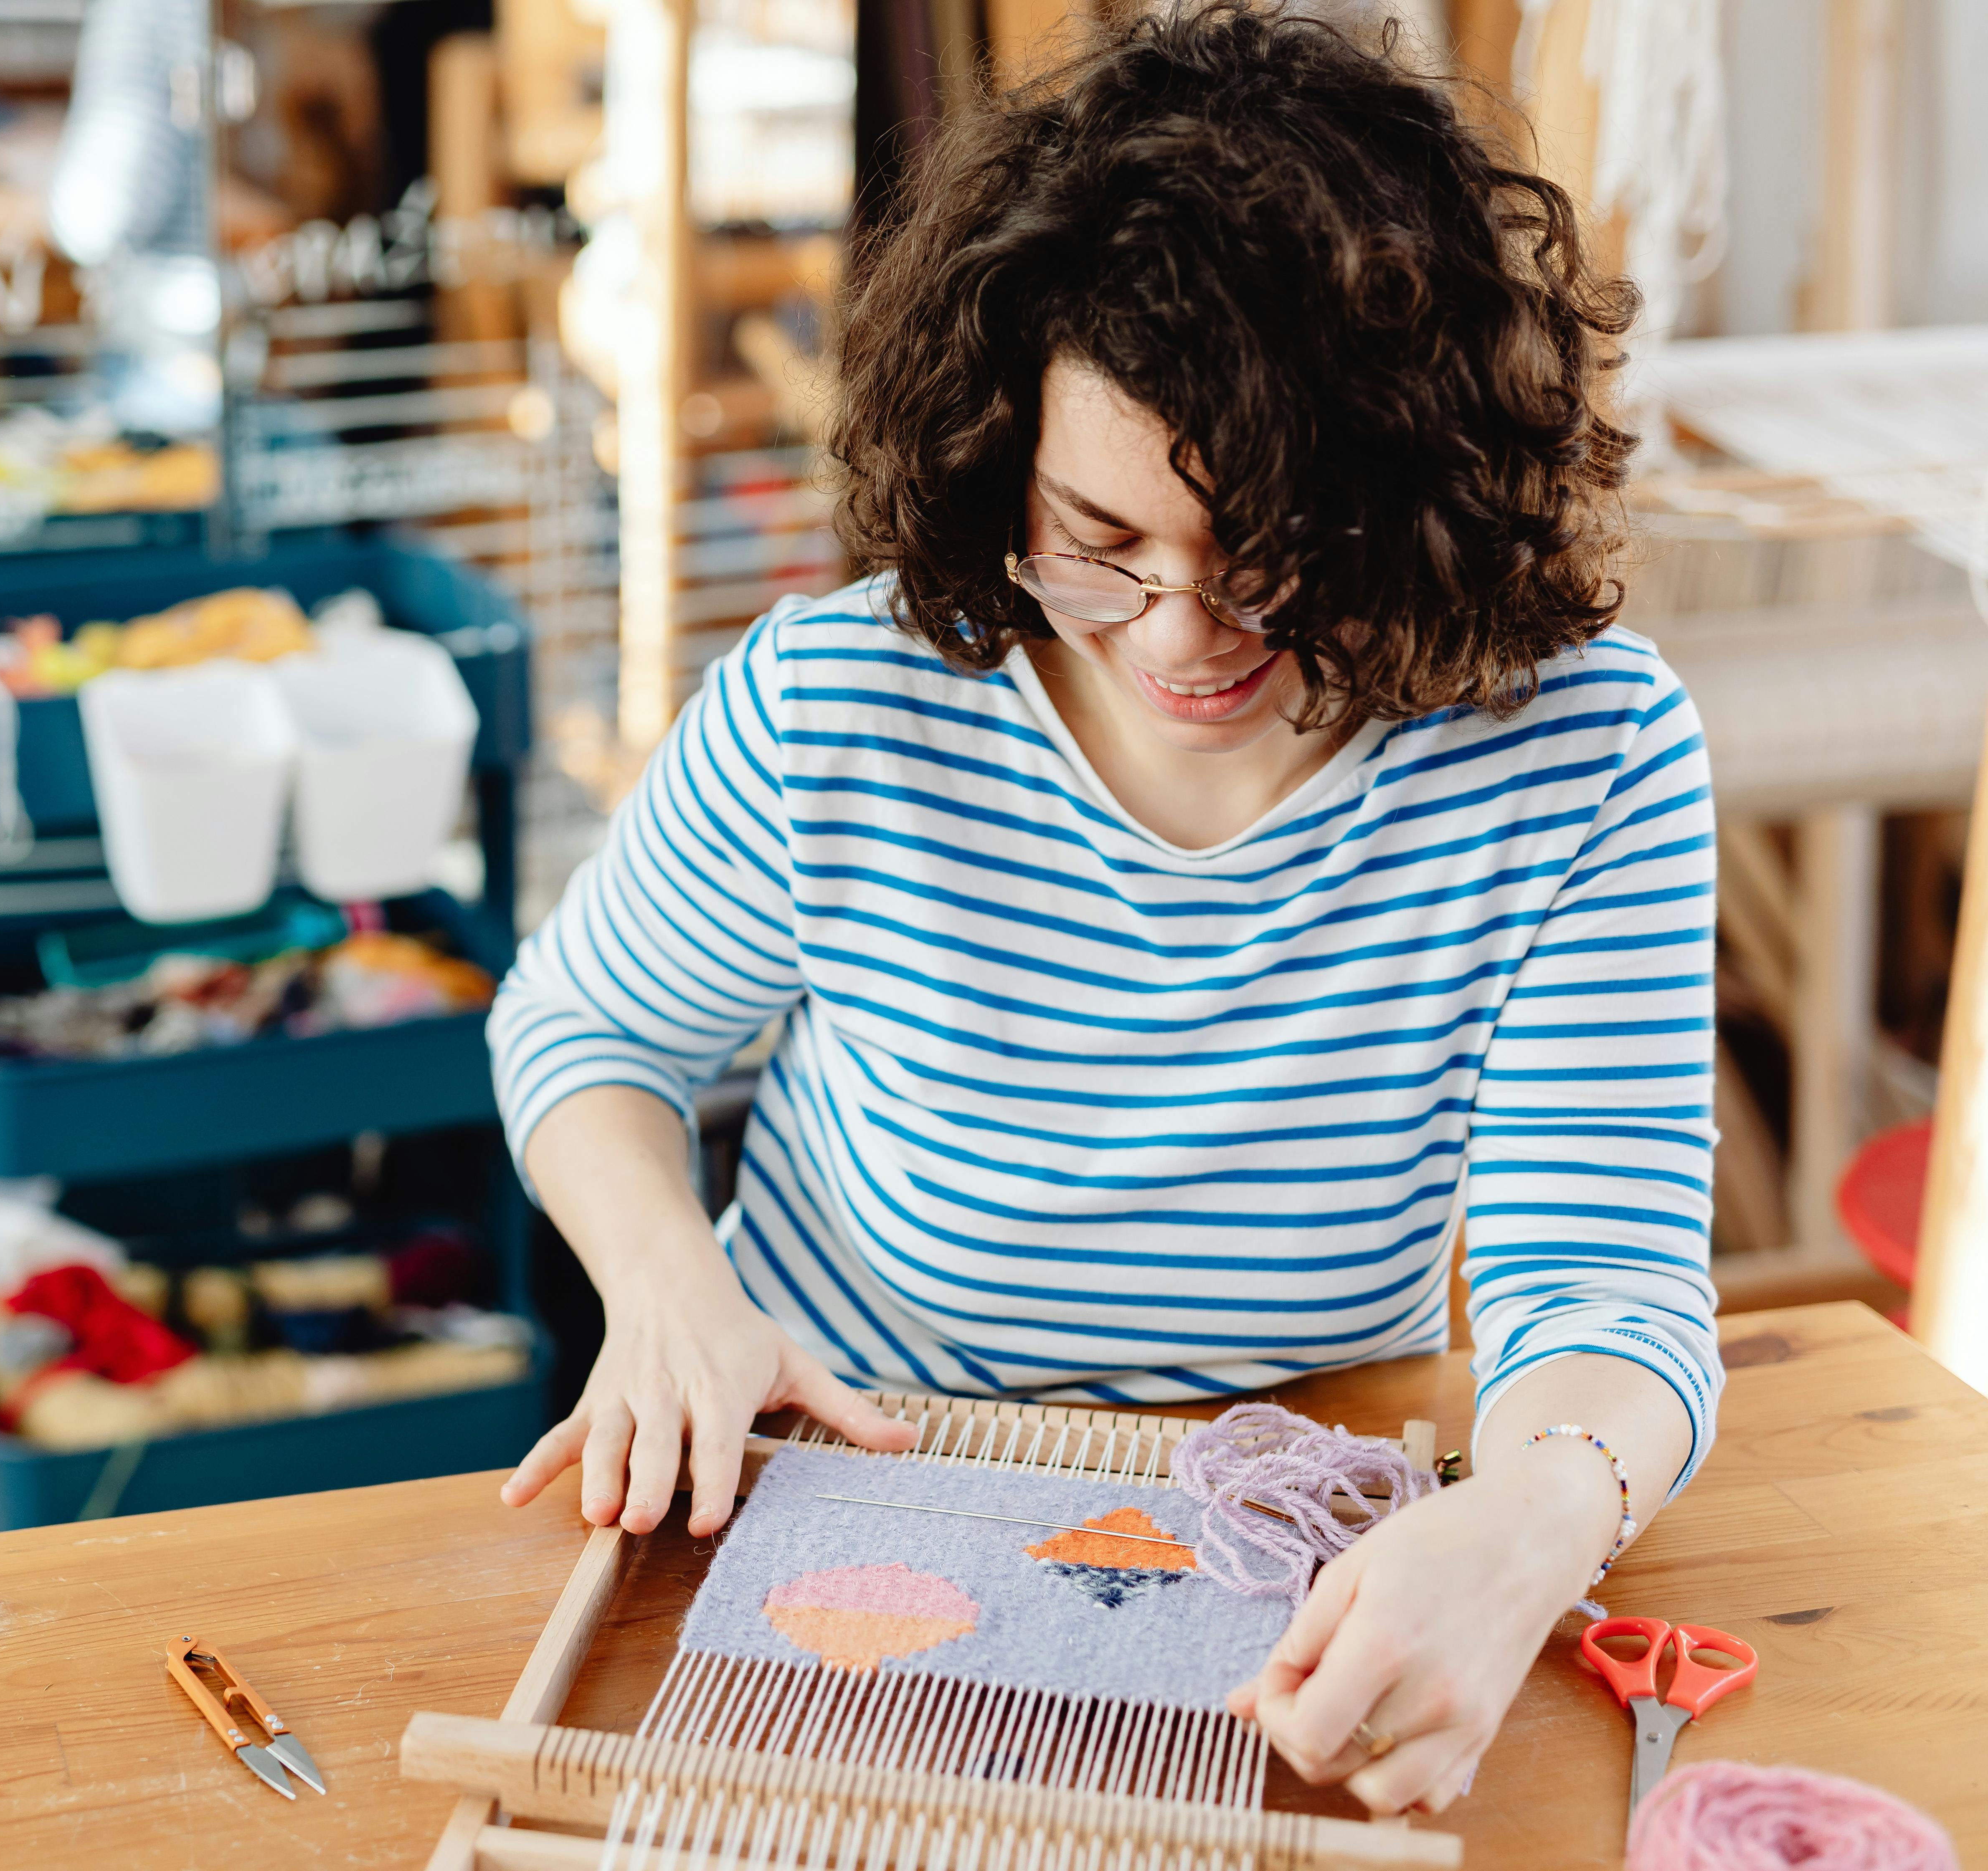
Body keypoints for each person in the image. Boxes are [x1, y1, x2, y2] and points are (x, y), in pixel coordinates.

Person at [487, 5, 1713, 1823]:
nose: (1178, 640)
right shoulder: (841, 708)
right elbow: (582, 1030)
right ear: (1005, 462)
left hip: (1280, 1553)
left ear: (1415, 498)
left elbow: (1599, 1275)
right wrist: (667, 1292)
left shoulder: (1582, 756)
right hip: (830, 1519)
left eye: (1279, 558)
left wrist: (1532, 1517)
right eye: (1102, 539)